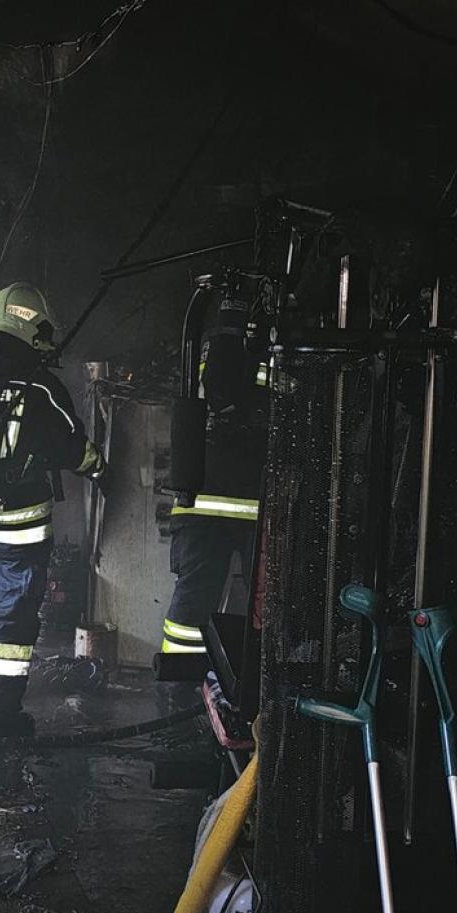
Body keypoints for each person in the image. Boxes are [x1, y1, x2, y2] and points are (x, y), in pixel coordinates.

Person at [0, 283, 103, 737]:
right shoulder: (40, 386)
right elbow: (70, 446)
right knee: (11, 628)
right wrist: (100, 468)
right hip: (19, 533)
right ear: (33, 328)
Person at [157, 278, 270, 679]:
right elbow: (227, 396)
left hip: (203, 500)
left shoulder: (211, 342)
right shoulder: (248, 346)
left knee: (195, 599)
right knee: (266, 602)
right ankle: (247, 688)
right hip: (247, 500)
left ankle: (180, 686)